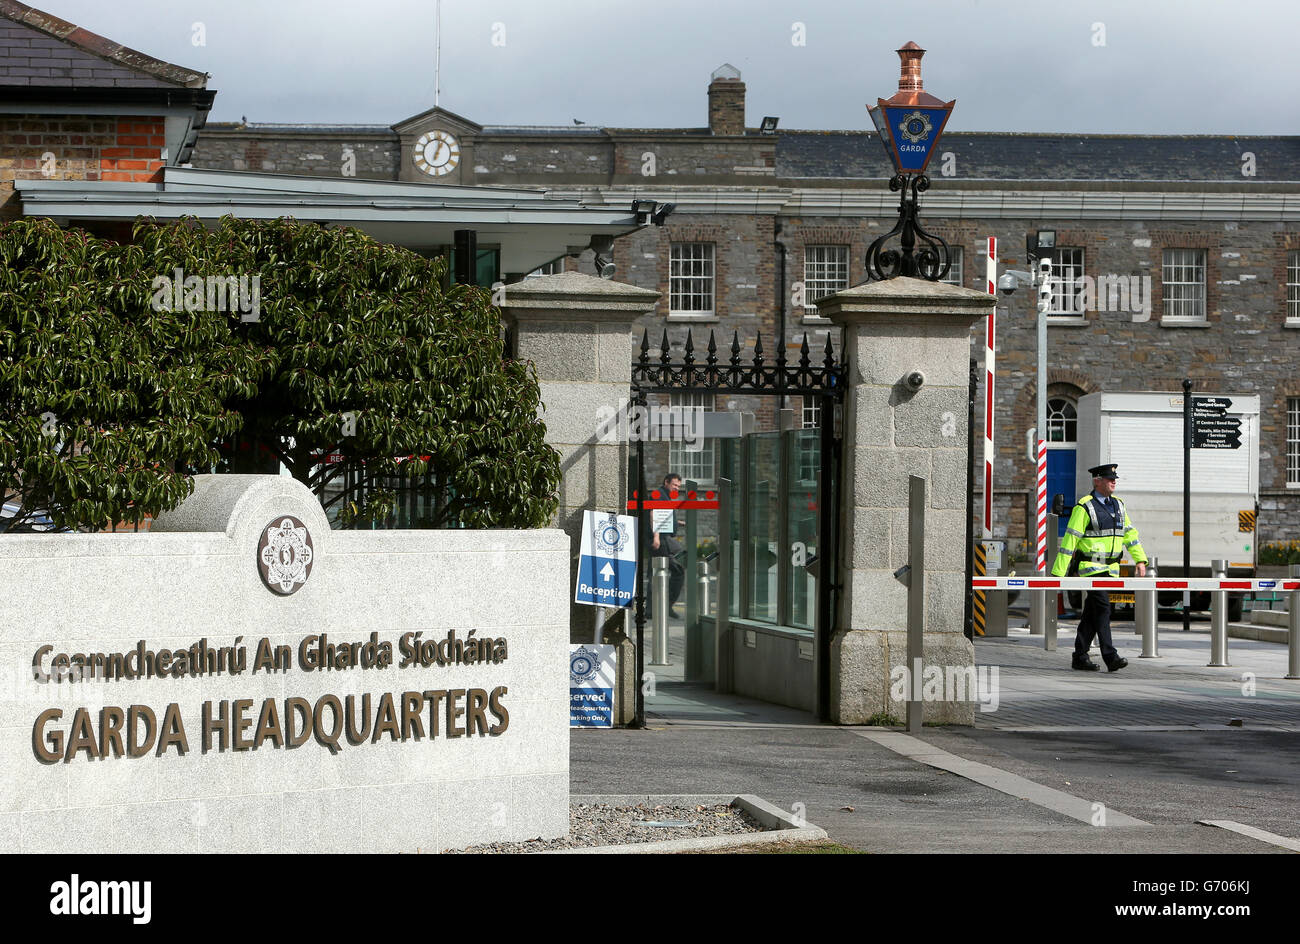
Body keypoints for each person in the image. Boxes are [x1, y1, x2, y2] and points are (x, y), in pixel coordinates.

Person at [1051, 462, 1148, 672]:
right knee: (1103, 607)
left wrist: (1140, 560)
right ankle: (1110, 656)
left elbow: (1130, 536)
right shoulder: (1084, 506)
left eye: (1114, 479)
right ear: (1097, 481)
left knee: (1092, 613)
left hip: (1110, 569)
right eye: (1109, 479)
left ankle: (1079, 656)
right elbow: (1070, 540)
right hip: (1090, 568)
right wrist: (1057, 573)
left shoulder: (1119, 505)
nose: (1114, 482)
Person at [649, 472, 686, 618]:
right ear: (666, 482)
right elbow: (654, 514)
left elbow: (663, 516)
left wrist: (678, 523)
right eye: (674, 485)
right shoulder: (659, 494)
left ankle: (650, 611)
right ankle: (667, 605)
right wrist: (656, 536)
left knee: (654, 572)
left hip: (663, 538)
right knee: (679, 568)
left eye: (678, 486)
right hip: (662, 539)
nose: (676, 488)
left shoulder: (664, 494)